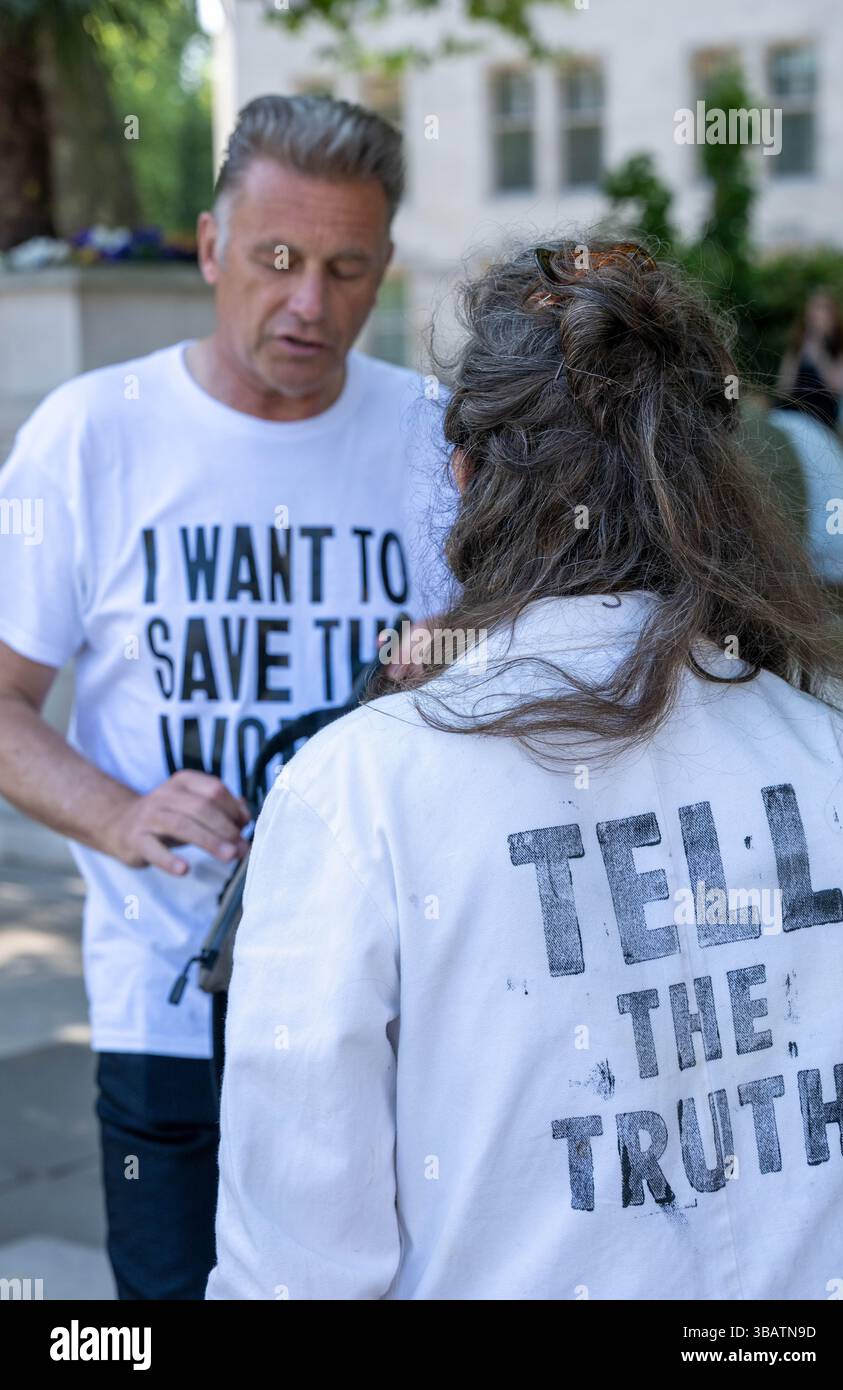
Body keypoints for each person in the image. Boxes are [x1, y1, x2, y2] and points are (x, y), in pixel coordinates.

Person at [206, 239, 843, 1301]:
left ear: (467, 473)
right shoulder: (835, 750)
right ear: (711, 477)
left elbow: (293, 1267)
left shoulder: (359, 792)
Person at [0, 94, 448, 1300]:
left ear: (383, 270)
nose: (309, 303)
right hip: (167, 1005)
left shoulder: (438, 440)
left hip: (401, 1003)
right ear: (210, 248)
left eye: (347, 268)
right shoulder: (92, 434)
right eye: (278, 260)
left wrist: (454, 660)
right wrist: (113, 813)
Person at [776, 290, 843, 431]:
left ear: (835, 316)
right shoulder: (799, 346)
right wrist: (799, 353)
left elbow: (838, 387)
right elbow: (783, 387)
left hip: (822, 416)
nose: (815, 316)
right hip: (792, 413)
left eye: (822, 309)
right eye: (812, 310)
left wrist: (819, 353)